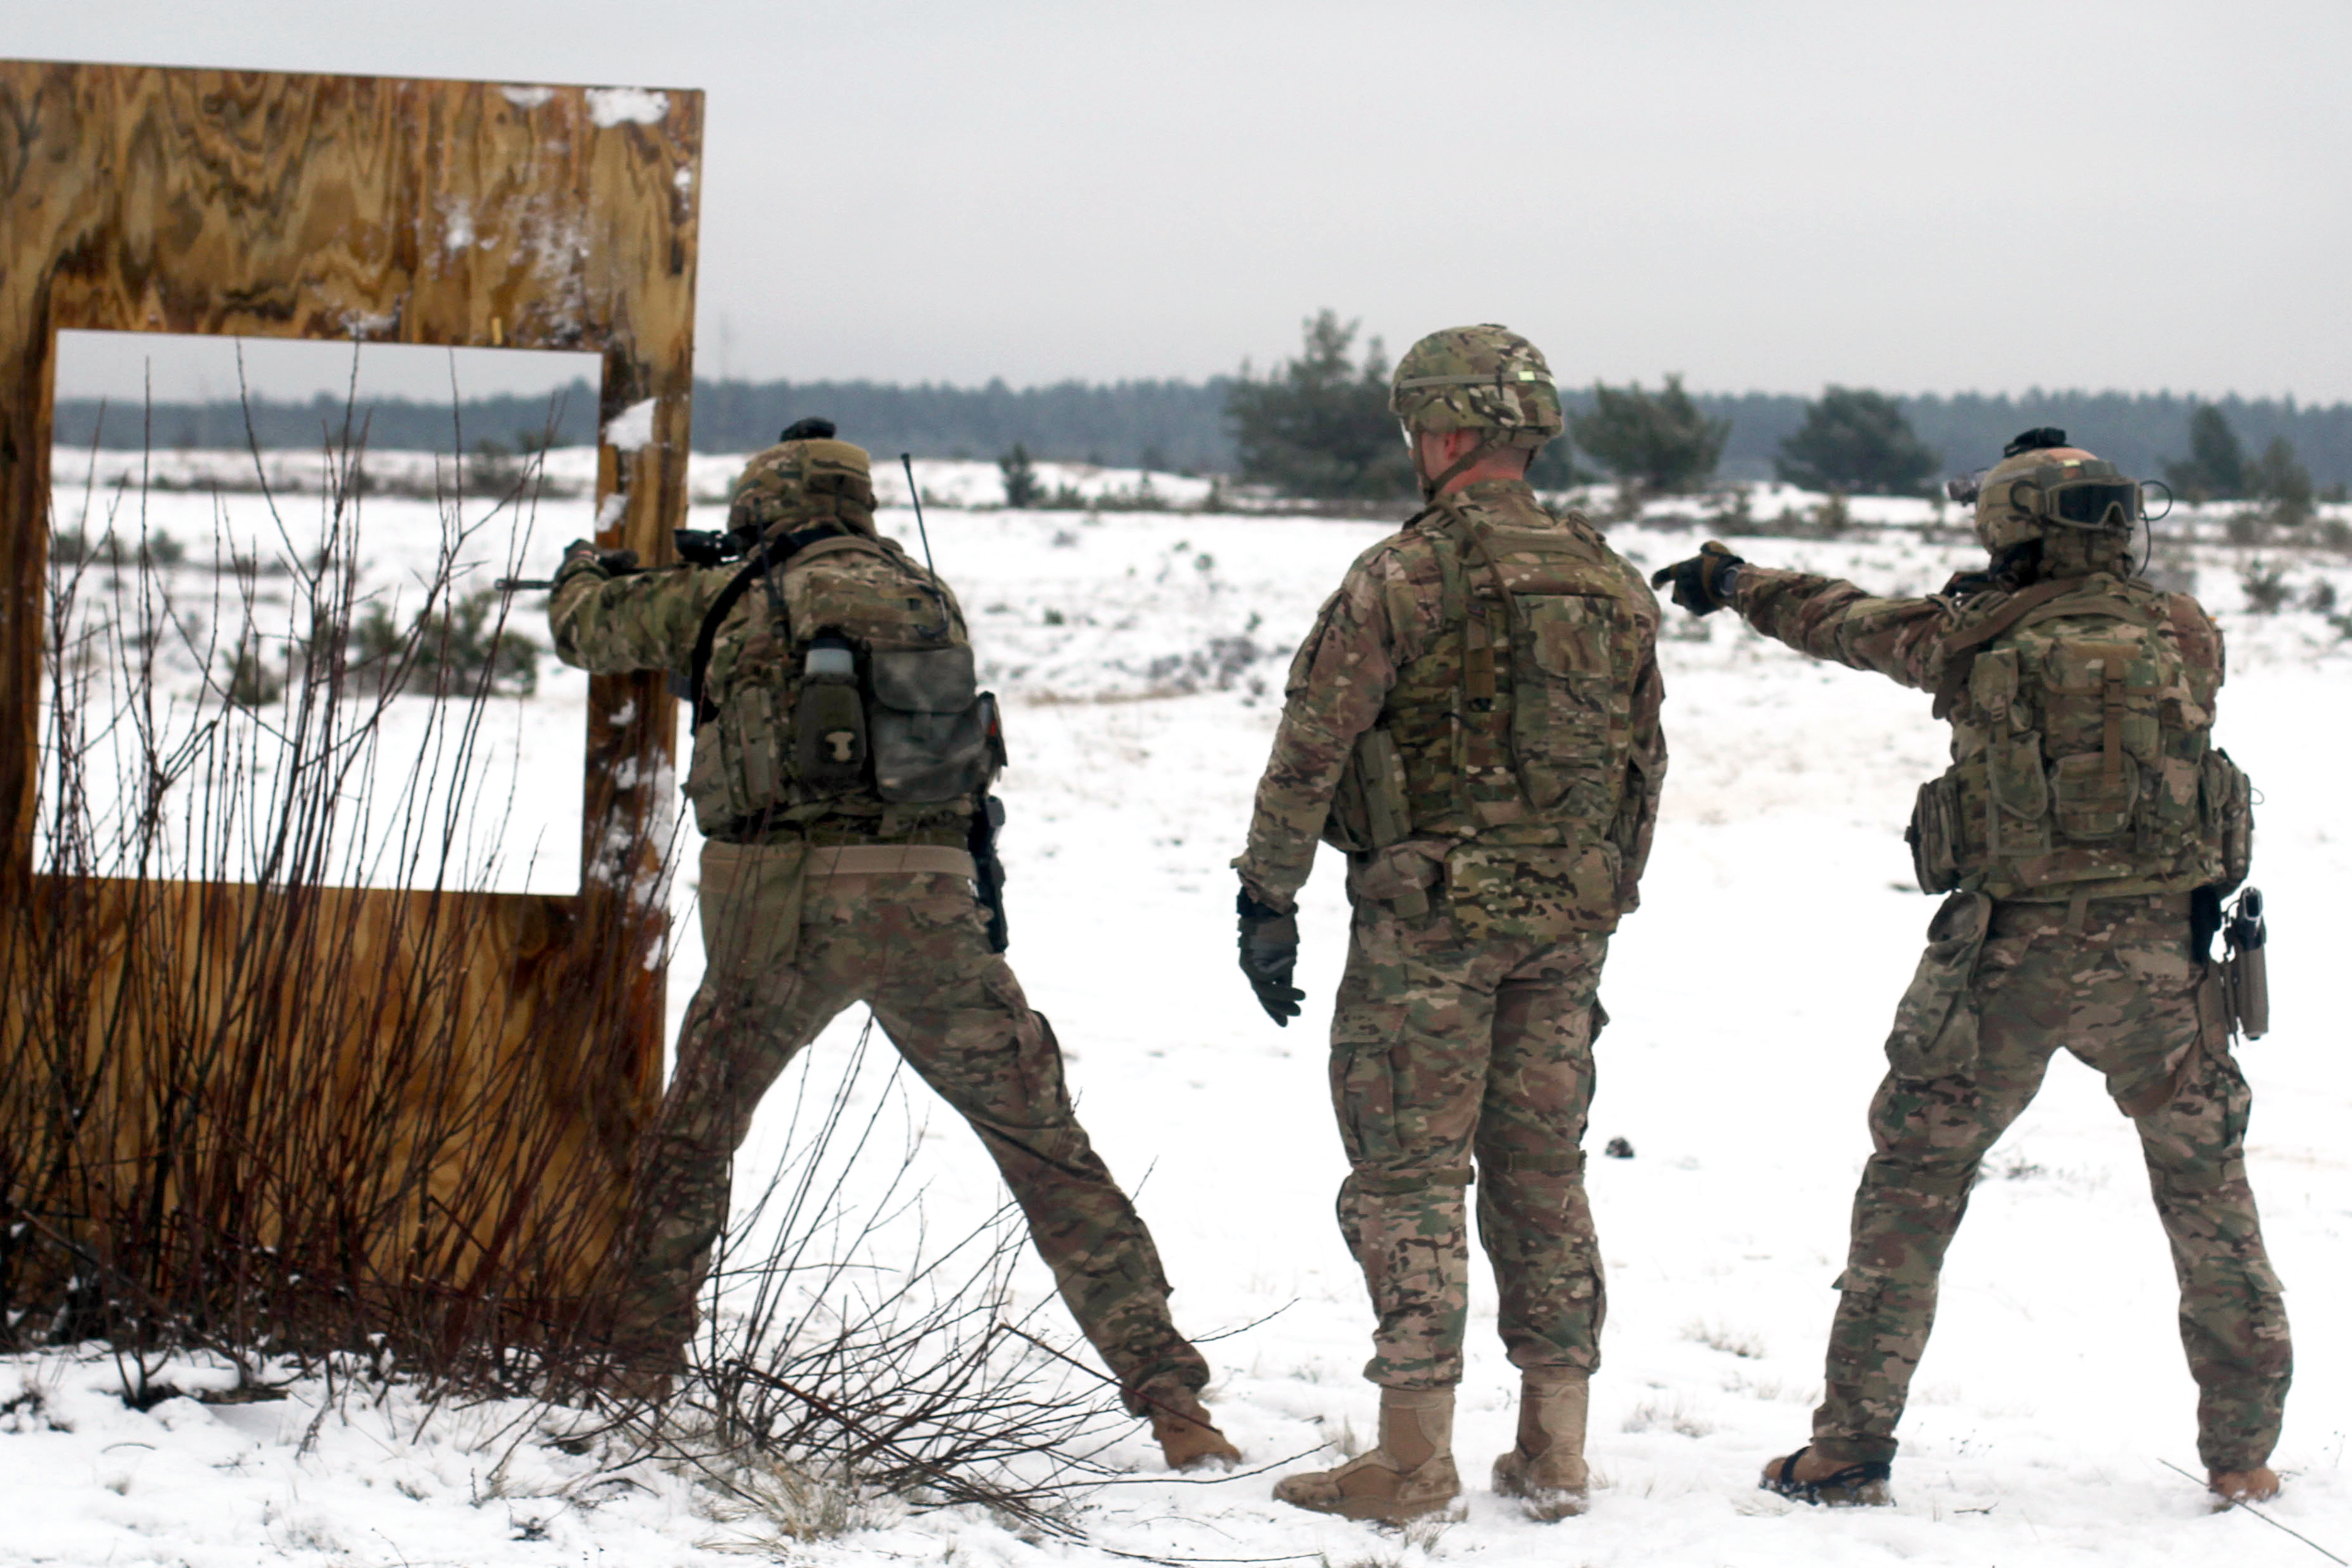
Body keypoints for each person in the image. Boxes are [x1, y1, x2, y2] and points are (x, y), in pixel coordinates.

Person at [548, 419, 1239, 1469]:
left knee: (692, 1144)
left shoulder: (728, 599)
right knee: (1047, 1150)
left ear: (762, 511)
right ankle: (1173, 1399)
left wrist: (584, 568)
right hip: (926, 909)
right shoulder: (927, 597)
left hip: (772, 911)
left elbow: (586, 628)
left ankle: (637, 1367)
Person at [1649, 428, 2290, 1508]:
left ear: (2011, 529)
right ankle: (2243, 1454)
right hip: (2161, 968)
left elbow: (1843, 619)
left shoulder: (1969, 634)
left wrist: (1734, 581)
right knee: (2209, 1194)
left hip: (2005, 961)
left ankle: (1849, 1448)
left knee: (1911, 1185)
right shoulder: (2188, 632)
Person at [1233, 326, 1667, 1522]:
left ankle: (1412, 1458)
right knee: (1543, 1174)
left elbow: (1312, 743)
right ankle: (1554, 1446)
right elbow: (1645, 765)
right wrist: (1604, 896)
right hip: (1567, 924)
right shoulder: (1611, 577)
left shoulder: (1404, 574)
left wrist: (1267, 896)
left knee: (1411, 1175)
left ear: (1453, 431)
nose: (1416, 447)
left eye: (1423, 427)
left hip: (1431, 927)